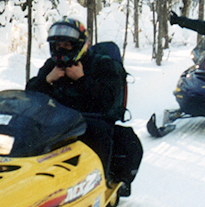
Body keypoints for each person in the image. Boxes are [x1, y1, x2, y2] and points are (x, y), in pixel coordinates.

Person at [25, 17, 129, 191]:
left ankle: (97, 185)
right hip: (55, 123)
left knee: (98, 131)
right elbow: (30, 96)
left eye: (66, 45)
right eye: (57, 46)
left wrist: (81, 79)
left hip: (89, 122)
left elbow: (109, 101)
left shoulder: (103, 64)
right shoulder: (52, 66)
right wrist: (47, 80)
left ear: (79, 45)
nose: (61, 50)